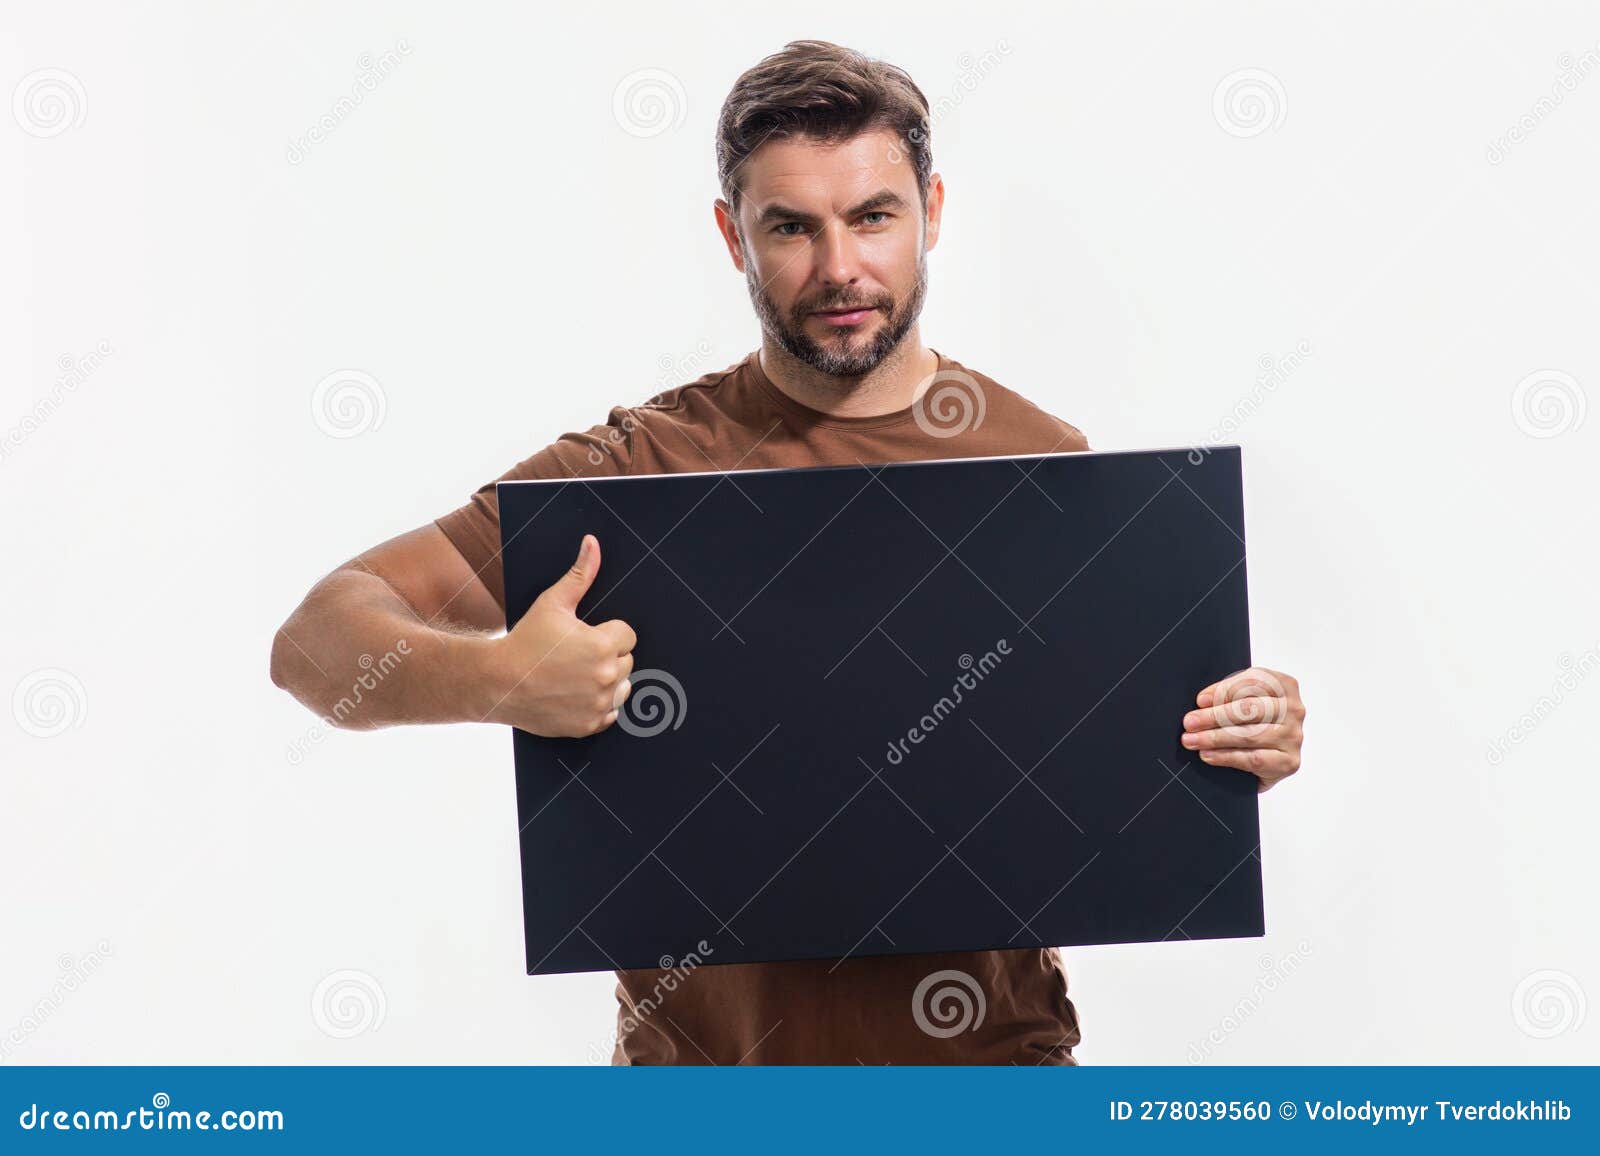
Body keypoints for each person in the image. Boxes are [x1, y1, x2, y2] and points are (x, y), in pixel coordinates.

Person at [270, 39, 1306, 1065]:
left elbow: (1106, 777)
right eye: (791, 228)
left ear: (931, 213)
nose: (839, 267)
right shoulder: (638, 469)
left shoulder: (1044, 466)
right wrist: (498, 677)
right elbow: (317, 639)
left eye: (872, 217)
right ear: (733, 236)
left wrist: (1232, 741)